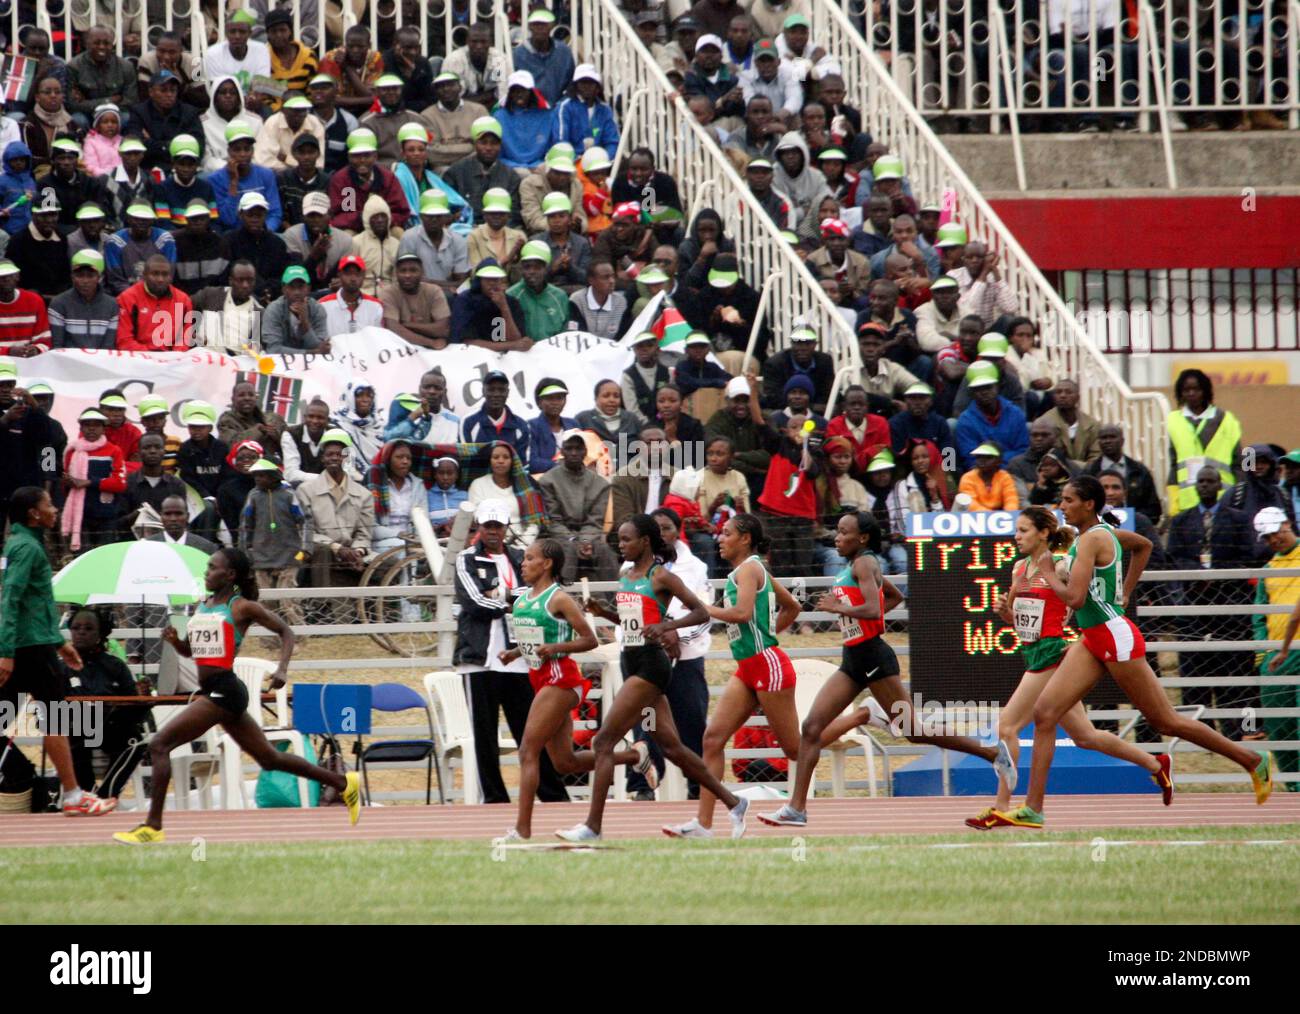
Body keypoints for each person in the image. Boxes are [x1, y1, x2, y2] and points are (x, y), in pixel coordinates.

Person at [989, 476, 1275, 830]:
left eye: (1067, 500)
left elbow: (1076, 599)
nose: (1061, 507)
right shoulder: (1091, 537)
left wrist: (1050, 573)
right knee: (1046, 714)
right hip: (1092, 637)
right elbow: (1142, 546)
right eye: (1061, 501)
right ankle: (1033, 809)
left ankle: (1251, 759)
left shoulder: (1094, 538)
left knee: (1165, 720)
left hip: (1114, 637)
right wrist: (1123, 591)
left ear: (1088, 504)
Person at [760, 511, 1003, 827]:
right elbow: (894, 596)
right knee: (811, 728)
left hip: (875, 660)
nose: (837, 535)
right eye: (837, 529)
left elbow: (875, 608)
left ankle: (992, 753)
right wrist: (861, 620)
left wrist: (840, 608)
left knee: (912, 731)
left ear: (862, 538)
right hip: (853, 660)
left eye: (844, 531)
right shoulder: (856, 565)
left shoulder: (866, 563)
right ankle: (796, 809)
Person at [114, 548, 360, 844]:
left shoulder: (241, 607)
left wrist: (282, 669)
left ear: (229, 575)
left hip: (224, 691)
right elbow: (193, 653)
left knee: (159, 744)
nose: (206, 572)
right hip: (215, 691)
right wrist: (177, 643)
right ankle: (343, 782)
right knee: (268, 759)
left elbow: (286, 632)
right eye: (206, 567)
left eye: (211, 567)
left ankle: (152, 827)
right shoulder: (203, 606)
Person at [966, 508, 1170, 830]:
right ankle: (1154, 763)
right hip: (1032, 653)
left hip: (1053, 654)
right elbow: (1020, 623)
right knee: (1085, 737)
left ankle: (1001, 806)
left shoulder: (1062, 564)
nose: (1016, 536)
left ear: (1044, 533)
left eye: (1023, 530)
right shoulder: (1020, 568)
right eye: (1016, 531)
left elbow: (1077, 599)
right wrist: (1006, 612)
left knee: (1007, 726)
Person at [557, 515, 751, 842]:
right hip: (630, 660)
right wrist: (604, 613)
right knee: (672, 747)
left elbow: (700, 612)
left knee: (603, 741)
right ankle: (734, 801)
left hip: (651, 665)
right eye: (619, 539)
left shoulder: (660, 575)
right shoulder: (626, 575)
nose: (621, 545)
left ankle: (593, 826)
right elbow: (632, 621)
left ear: (645, 541)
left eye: (627, 539)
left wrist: (665, 627)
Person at [496, 538, 648, 840]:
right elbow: (532, 642)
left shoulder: (559, 599)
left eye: (529, 558)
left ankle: (521, 829)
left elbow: (590, 640)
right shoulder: (524, 598)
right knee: (564, 763)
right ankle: (634, 756)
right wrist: (514, 653)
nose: (523, 564)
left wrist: (556, 647)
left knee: (528, 750)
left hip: (562, 682)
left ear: (547, 563)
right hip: (541, 680)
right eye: (523, 559)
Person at [664, 513, 802, 838]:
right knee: (712, 740)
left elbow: (741, 614)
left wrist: (703, 607)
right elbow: (792, 606)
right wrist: (765, 634)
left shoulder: (751, 568)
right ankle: (703, 824)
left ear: (745, 538)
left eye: (726, 533)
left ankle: (865, 716)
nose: (719, 538)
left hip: (767, 666)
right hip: (748, 668)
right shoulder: (748, 571)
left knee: (795, 749)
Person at [0, 488, 116, 817]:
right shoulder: (26, 548)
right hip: (28, 650)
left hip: (33, 644)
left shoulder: (23, 543)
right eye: (49, 505)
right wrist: (6, 651)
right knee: (54, 720)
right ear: (34, 514)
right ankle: (73, 795)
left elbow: (35, 604)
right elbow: (11, 598)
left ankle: (73, 793)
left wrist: (58, 641)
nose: (56, 509)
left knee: (21, 717)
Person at [454, 504, 570, 808]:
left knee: (532, 733)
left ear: (506, 527)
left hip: (520, 659)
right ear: (479, 526)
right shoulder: (466, 558)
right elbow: (475, 600)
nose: (493, 531)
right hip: (479, 659)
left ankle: (553, 795)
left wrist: (501, 595)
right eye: (488, 525)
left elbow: (540, 593)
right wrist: (514, 598)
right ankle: (493, 800)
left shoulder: (521, 556)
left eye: (499, 525)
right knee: (484, 737)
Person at [62, 607, 150, 802]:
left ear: (100, 633)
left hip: (110, 727)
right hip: (76, 728)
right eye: (76, 628)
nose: (81, 632)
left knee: (135, 742)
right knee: (74, 734)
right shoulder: (62, 667)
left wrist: (141, 699)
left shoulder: (115, 666)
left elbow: (136, 713)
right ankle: (85, 794)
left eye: (88, 628)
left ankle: (105, 795)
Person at [296, 429, 375, 593]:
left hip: (353, 552)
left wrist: (358, 551)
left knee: (388, 564)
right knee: (322, 552)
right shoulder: (306, 491)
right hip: (320, 552)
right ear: (323, 458)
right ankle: (323, 606)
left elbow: (364, 534)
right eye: (329, 454)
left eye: (340, 454)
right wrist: (337, 548)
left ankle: (381, 614)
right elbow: (305, 533)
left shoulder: (364, 494)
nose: (334, 458)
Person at [537, 431, 620, 581]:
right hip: (558, 537)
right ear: (562, 451)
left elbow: (595, 521)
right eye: (569, 448)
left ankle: (615, 598)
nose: (574, 453)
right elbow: (554, 522)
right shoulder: (548, 481)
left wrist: (585, 540)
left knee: (605, 551)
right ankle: (563, 596)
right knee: (567, 550)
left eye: (578, 448)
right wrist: (574, 541)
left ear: (585, 452)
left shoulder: (600, 483)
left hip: (589, 537)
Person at [1256, 508, 1300, 790]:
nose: (1274, 539)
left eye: (1277, 532)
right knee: (1279, 722)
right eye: (1268, 536)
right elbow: (1259, 614)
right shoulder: (1268, 569)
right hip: (1277, 656)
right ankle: (1295, 784)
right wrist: (1264, 652)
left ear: (1288, 524)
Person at [1166, 367, 1242, 517]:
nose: (1191, 394)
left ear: (1205, 391)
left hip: (1223, 499)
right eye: (1186, 390)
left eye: (1196, 389)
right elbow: (1174, 465)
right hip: (1187, 503)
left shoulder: (1228, 420)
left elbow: (1243, 459)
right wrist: (1173, 503)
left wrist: (1241, 495)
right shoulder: (1172, 420)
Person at [1084, 423, 1162, 524]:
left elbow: (1153, 509)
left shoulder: (1140, 471)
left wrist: (1132, 520)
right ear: (1098, 442)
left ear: (1122, 441)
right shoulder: (1088, 473)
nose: (1108, 441)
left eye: (1112, 437)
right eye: (1104, 438)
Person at [450, 259, 530, 350]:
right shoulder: (465, 301)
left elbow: (518, 341)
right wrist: (511, 345)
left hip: (506, 358)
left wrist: (504, 308)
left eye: (496, 279)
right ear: (479, 281)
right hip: (473, 356)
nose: (492, 283)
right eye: (488, 279)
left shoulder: (511, 302)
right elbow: (467, 342)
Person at [50, 249, 118, 348]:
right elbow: (57, 345)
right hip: (68, 361)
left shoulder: (112, 305)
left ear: (99, 277)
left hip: (101, 361)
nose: (85, 281)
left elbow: (108, 346)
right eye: (79, 275)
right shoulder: (58, 303)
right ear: (72, 277)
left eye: (90, 276)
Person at [460, 371, 531, 455]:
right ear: (483, 391)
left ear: (507, 393)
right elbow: (467, 460)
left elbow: (521, 464)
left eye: (501, 390)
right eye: (491, 390)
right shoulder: (468, 422)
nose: (496, 394)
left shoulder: (522, 426)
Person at [385, 368, 460, 445]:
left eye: (437, 388)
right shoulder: (405, 412)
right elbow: (388, 440)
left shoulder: (455, 420)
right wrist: (412, 418)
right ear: (419, 389)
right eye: (427, 387)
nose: (432, 391)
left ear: (445, 392)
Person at [281, 398, 332, 488]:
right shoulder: (290, 434)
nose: (315, 421)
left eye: (320, 417)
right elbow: (290, 474)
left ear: (328, 420)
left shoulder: (337, 435)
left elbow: (348, 471)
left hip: (330, 489)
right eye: (311, 416)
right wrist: (326, 479)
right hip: (299, 488)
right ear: (304, 418)